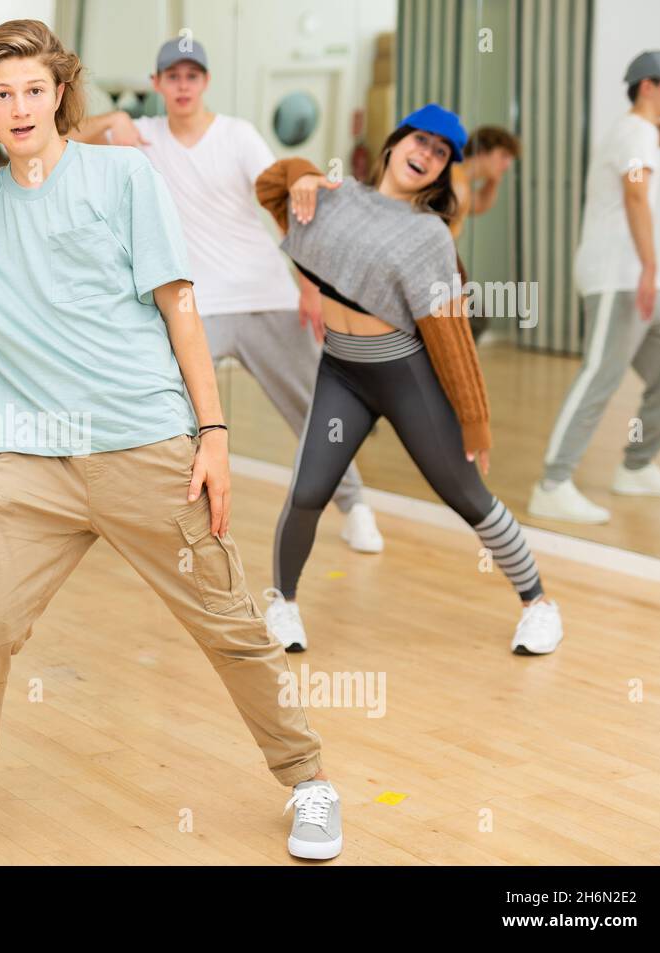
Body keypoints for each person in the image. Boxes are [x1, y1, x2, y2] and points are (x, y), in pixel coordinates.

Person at [0, 18, 344, 861]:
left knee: (232, 628)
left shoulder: (122, 176)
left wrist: (211, 433)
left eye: (35, 88)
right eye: (2, 94)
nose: (21, 106)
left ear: (60, 93)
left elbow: (180, 303)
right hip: (31, 467)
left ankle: (310, 781)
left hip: (146, 447)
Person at [255, 104, 564, 655]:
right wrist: (301, 170)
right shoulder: (336, 197)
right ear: (394, 145)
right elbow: (270, 185)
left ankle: (539, 604)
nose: (426, 155)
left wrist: (474, 419)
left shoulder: (429, 235)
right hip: (341, 371)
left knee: (467, 496)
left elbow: (450, 337)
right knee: (307, 490)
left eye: (441, 153)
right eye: (419, 141)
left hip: (404, 374)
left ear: (445, 172)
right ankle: (284, 604)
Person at [70, 37, 385, 555]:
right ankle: (156, 512)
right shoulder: (139, 137)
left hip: (264, 294)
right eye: (173, 76)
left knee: (312, 409)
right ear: (157, 85)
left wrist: (311, 287)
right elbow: (59, 143)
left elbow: (286, 201)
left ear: (206, 82)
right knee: (166, 408)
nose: (183, 85)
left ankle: (356, 507)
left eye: (192, 76)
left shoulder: (238, 136)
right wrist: (109, 122)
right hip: (196, 307)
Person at [529, 50, 660, 524]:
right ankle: (551, 484)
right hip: (618, 274)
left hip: (639, 274)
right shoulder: (633, 132)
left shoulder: (639, 132)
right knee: (600, 374)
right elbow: (635, 192)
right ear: (647, 86)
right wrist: (649, 264)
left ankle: (636, 466)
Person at [449, 126, 521, 340]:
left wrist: (494, 178)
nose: (507, 164)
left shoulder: (460, 180)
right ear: (481, 151)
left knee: (475, 320)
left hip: (443, 265)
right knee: (473, 320)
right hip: (433, 266)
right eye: (503, 156)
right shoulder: (453, 179)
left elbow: (479, 204)